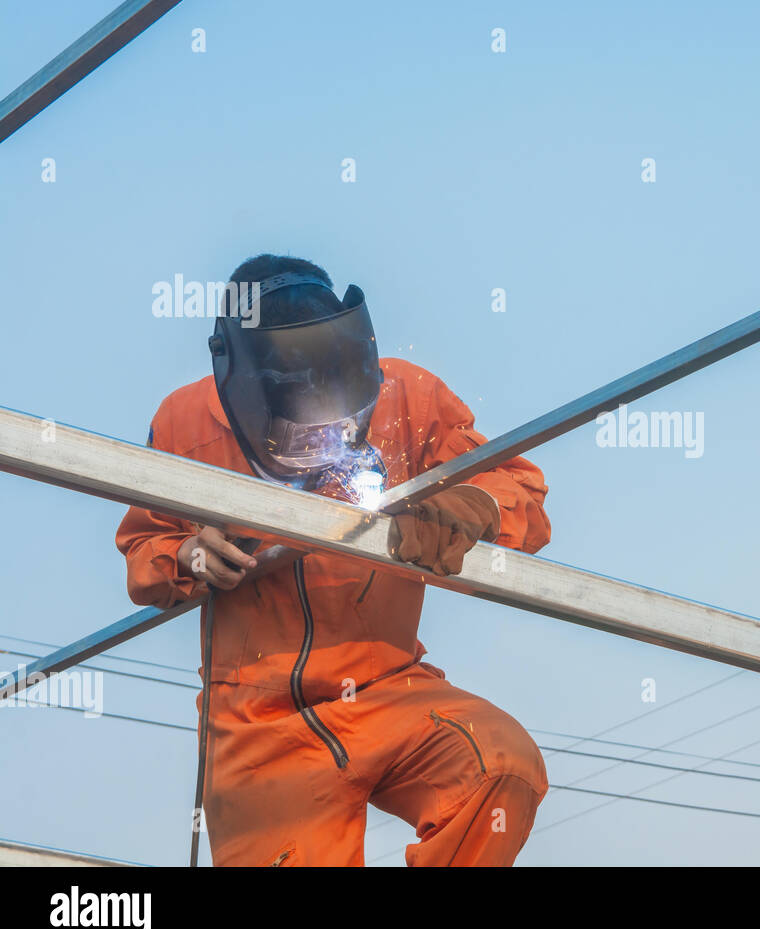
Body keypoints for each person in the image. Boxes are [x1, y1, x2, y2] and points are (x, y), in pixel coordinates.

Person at [116, 254, 551, 866]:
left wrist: (472, 502)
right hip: (255, 724)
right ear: (241, 374)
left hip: (388, 685)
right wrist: (185, 556)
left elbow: (518, 489)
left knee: (499, 765)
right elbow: (143, 549)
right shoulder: (184, 421)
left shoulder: (409, 394)